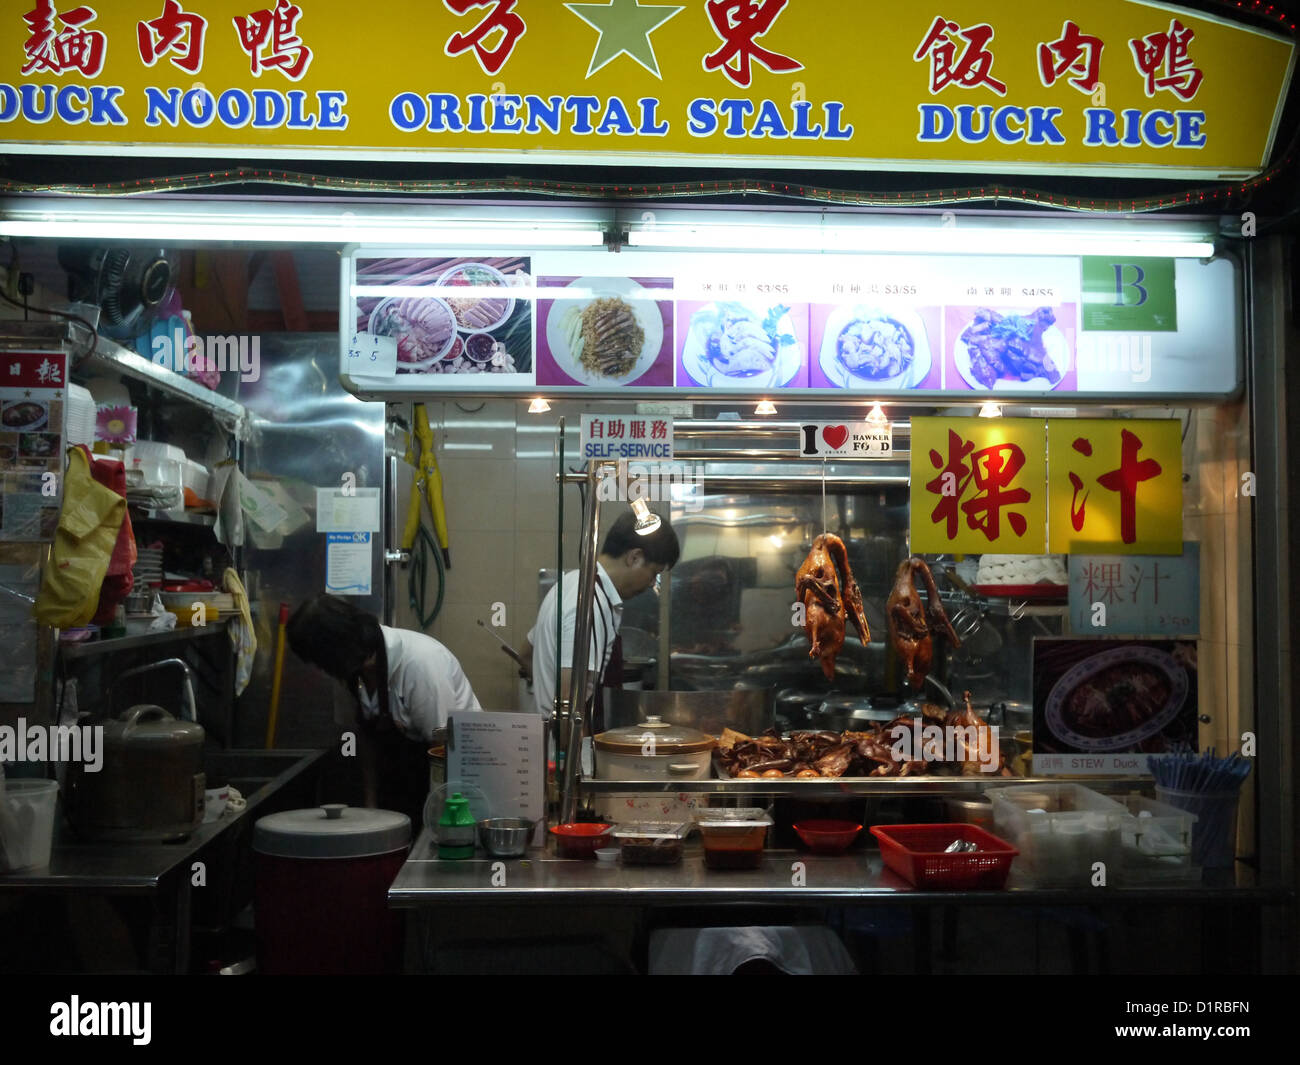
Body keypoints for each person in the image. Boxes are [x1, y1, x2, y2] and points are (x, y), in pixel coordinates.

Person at [286, 595, 481, 825]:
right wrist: (371, 807)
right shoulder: (349, 673)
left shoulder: (420, 664)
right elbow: (366, 739)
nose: (320, 669)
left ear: (336, 649)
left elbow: (442, 751)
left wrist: (435, 822)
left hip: (455, 780)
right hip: (403, 775)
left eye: (320, 661)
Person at [522, 510, 680, 726]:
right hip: (566, 748)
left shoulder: (568, 585)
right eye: (654, 573)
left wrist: (544, 689)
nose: (652, 583)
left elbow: (526, 653)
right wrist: (583, 756)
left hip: (554, 739)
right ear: (634, 557)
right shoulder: (590, 604)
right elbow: (570, 706)